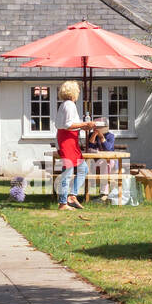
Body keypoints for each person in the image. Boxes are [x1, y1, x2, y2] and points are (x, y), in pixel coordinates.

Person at [54, 81, 98, 210]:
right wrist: (85, 125)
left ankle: (72, 196)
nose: (79, 92)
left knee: (82, 168)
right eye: (78, 90)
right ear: (73, 91)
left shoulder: (65, 105)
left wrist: (84, 126)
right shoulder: (69, 105)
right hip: (67, 141)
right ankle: (63, 203)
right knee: (67, 172)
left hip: (70, 140)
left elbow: (70, 124)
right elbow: (68, 125)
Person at [86, 123, 117, 199]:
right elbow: (90, 148)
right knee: (87, 164)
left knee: (106, 164)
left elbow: (108, 149)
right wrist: (94, 135)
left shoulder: (110, 136)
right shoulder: (91, 135)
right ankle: (86, 193)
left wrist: (102, 137)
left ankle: (104, 193)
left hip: (109, 160)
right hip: (95, 160)